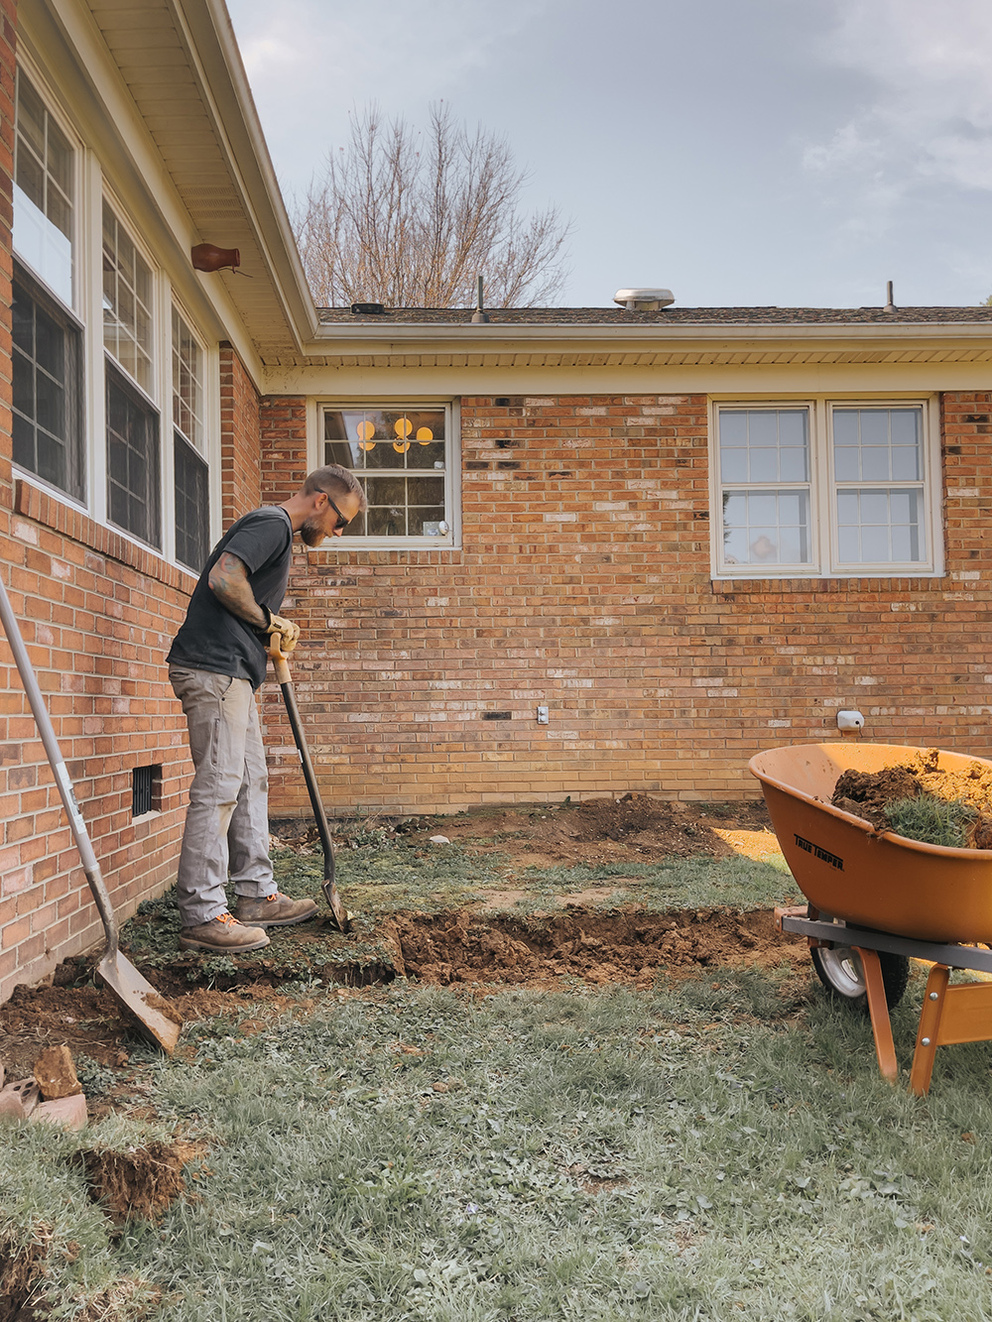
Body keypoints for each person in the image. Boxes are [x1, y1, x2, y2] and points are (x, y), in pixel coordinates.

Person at [167, 465, 367, 953]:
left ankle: (256, 894)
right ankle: (202, 913)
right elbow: (223, 578)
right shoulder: (272, 523)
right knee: (218, 788)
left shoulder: (279, 533)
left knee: (250, 779)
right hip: (214, 669)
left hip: (236, 673)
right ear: (321, 501)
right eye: (341, 522)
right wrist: (268, 618)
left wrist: (269, 631)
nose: (338, 533)